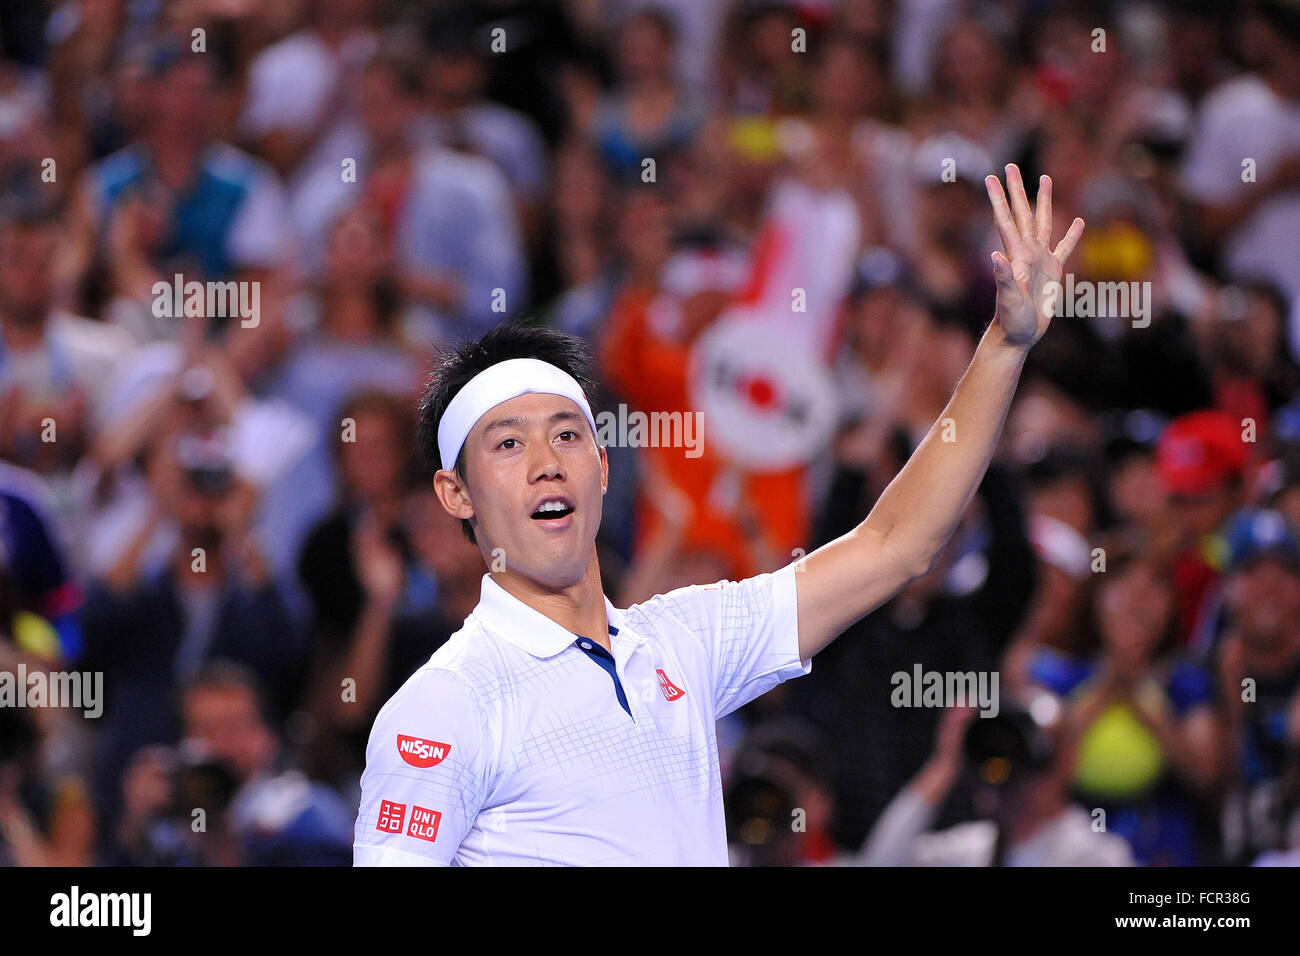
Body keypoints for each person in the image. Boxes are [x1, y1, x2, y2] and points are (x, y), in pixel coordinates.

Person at [352, 164, 1086, 865]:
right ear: (457, 494)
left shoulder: (683, 644)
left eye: (568, 434)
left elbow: (895, 544)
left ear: (602, 468)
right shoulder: (441, 708)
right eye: (508, 443)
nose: (547, 459)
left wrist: (1002, 346)